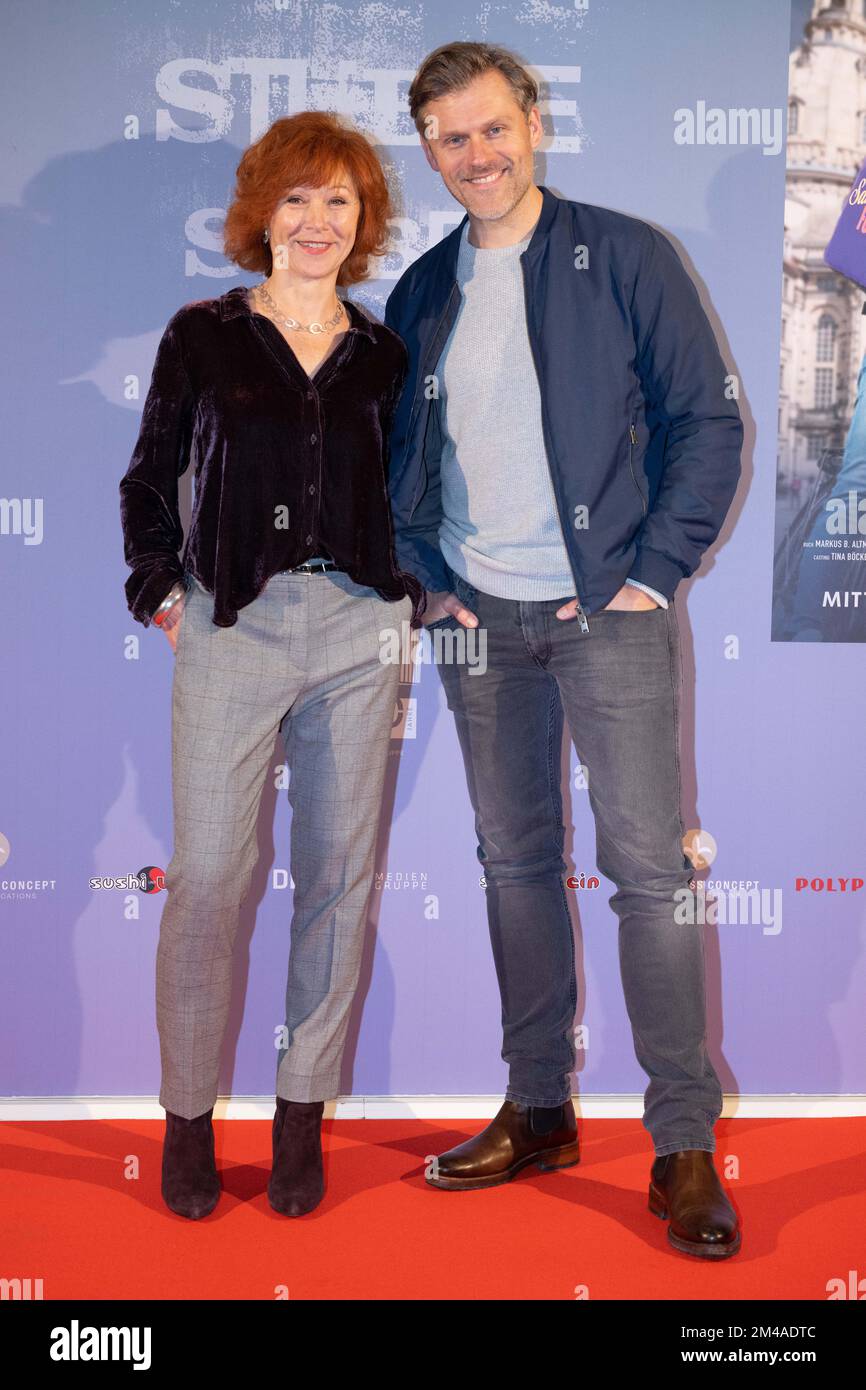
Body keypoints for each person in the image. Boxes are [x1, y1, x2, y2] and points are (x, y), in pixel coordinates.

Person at [385, 42, 744, 1260]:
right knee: (512, 866)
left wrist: (652, 574)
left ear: (531, 123)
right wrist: (428, 578)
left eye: (490, 128)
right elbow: (402, 467)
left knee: (648, 871)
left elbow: (706, 418)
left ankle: (680, 1146)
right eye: (447, 137)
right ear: (426, 150)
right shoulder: (423, 289)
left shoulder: (624, 253)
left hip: (607, 616)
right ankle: (537, 1109)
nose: (473, 155)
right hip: (483, 622)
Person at [119, 111, 424, 1220]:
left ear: (362, 221)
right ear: (261, 214)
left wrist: (410, 590)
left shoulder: (381, 352)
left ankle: (301, 1116)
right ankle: (188, 1120)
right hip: (232, 627)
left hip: (355, 631)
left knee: (337, 881)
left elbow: (413, 496)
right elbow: (148, 478)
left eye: (337, 201)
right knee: (206, 878)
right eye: (296, 199)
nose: (315, 221)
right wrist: (159, 588)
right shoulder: (202, 334)